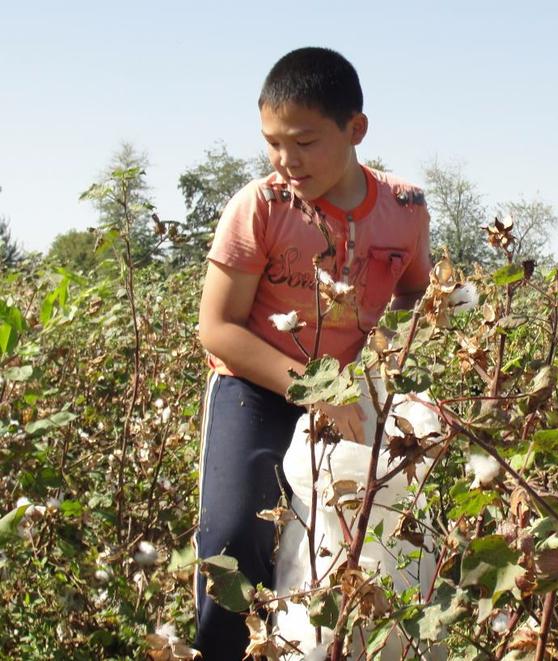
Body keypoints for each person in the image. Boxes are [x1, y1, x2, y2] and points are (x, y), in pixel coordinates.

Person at [194, 47, 431, 659]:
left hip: (353, 397)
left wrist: (381, 366)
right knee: (234, 541)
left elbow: (414, 297)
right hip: (256, 388)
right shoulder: (262, 207)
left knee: (369, 544)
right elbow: (218, 329)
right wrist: (317, 389)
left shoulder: (404, 209)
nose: (285, 161)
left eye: (303, 142)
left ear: (356, 130)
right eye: (272, 143)